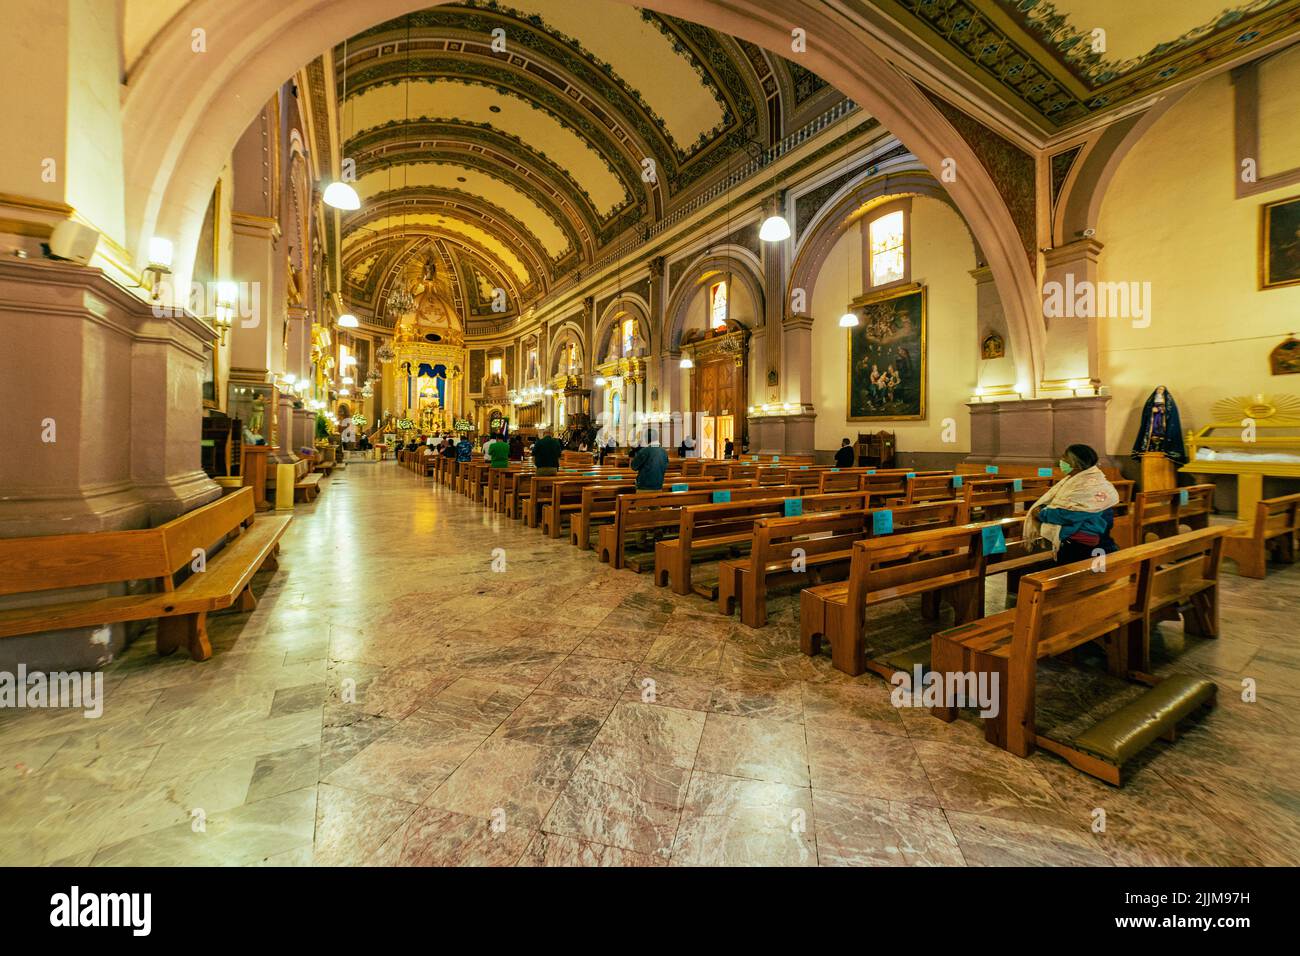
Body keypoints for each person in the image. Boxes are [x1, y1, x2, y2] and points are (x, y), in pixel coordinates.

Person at [1024, 443, 1120, 566]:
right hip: (1094, 540)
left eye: (1065, 458)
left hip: (1081, 545)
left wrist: (1042, 514)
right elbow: (1067, 505)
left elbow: (1069, 514)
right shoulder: (1089, 480)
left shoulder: (1087, 486)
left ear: (1076, 464)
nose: (1061, 461)